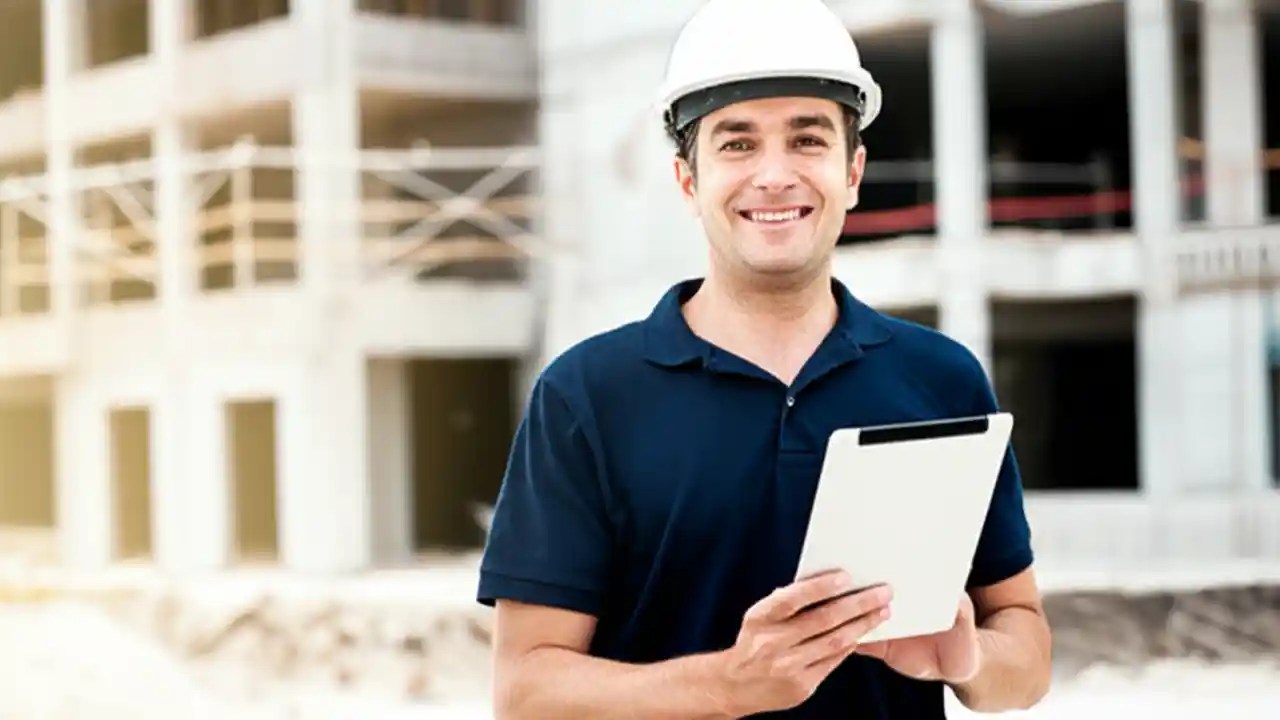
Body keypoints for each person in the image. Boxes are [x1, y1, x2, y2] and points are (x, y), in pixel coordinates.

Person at [476, 0, 1052, 717]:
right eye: (737, 144)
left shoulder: (941, 378)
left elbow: (1025, 649)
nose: (774, 175)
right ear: (688, 180)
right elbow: (524, 692)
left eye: (807, 140)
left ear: (853, 172)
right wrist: (729, 684)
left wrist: (969, 660)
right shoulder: (587, 395)